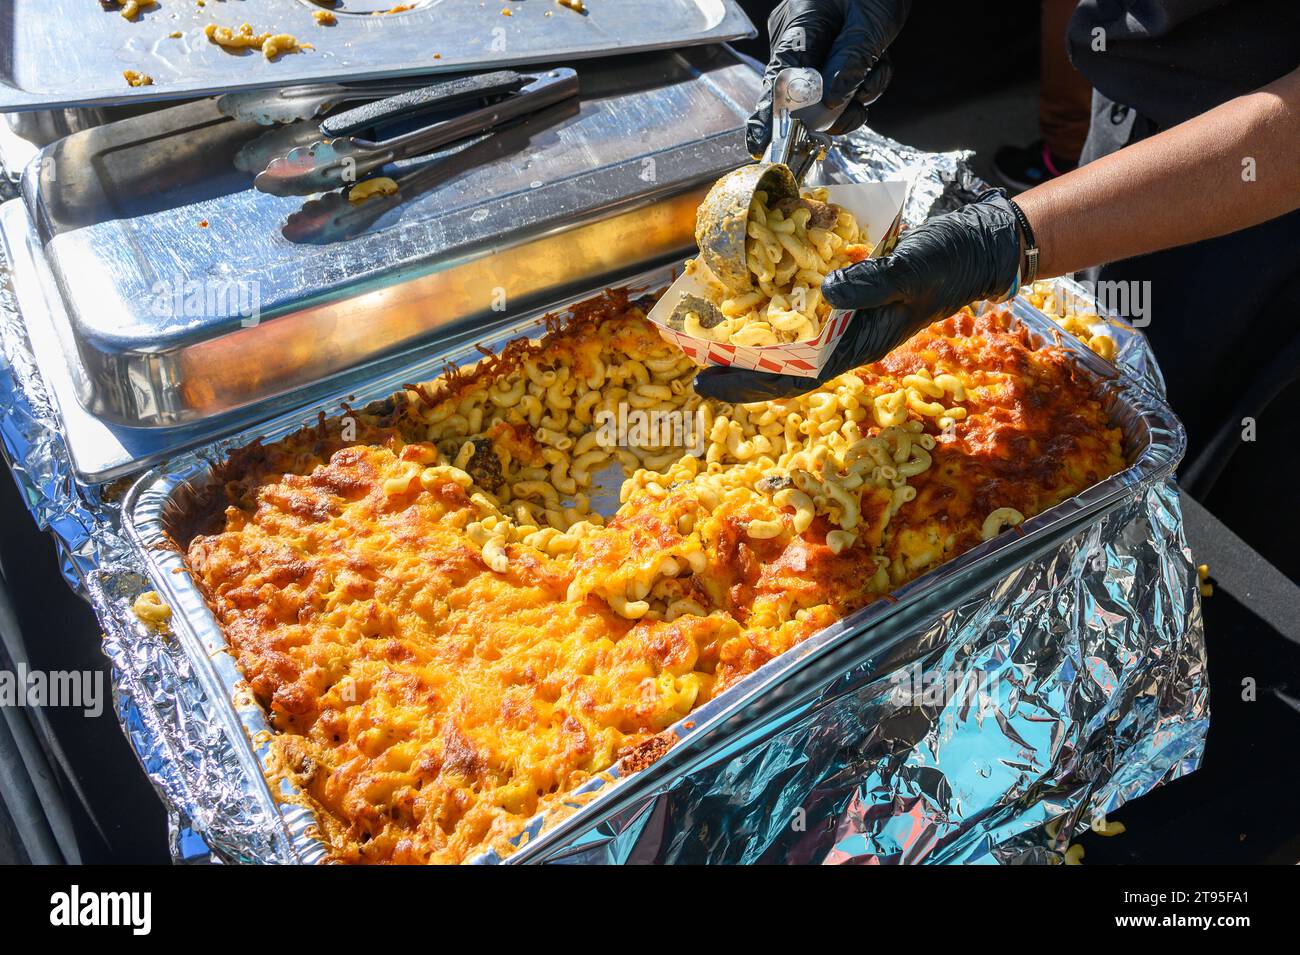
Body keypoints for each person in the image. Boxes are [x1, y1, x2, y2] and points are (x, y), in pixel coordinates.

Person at [697, 0, 1300, 508]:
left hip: (1268, 201)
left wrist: (1009, 241)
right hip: (1137, 104)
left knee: (1212, 480)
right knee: (1106, 362)